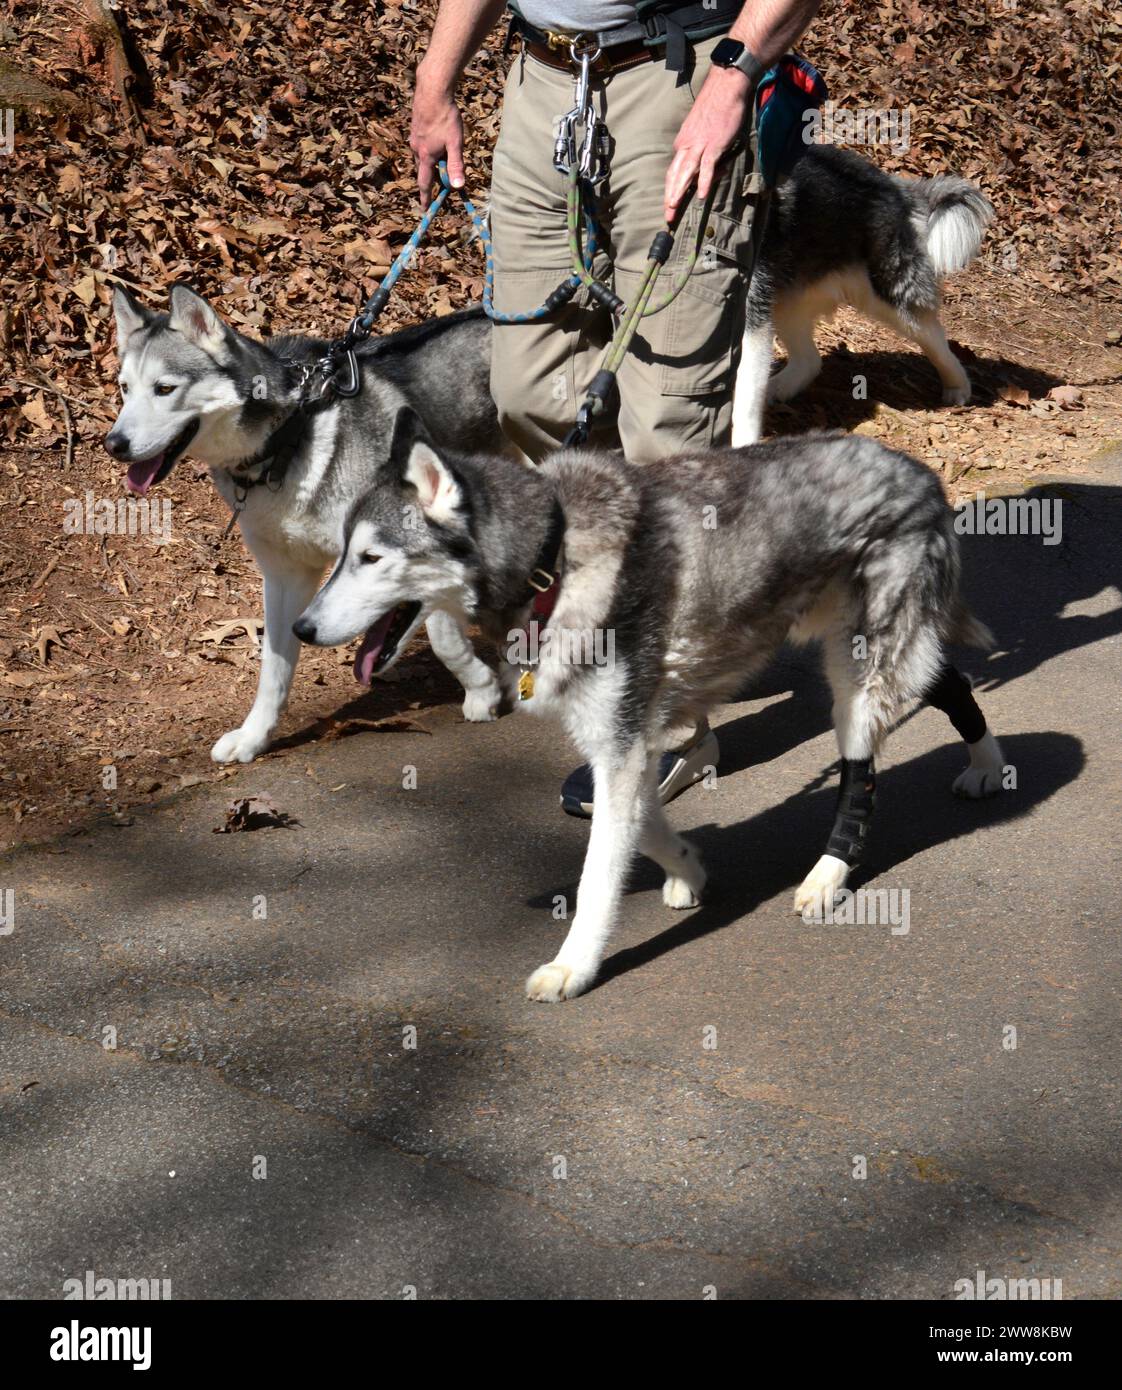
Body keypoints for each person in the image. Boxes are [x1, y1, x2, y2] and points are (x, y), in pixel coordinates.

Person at [410, 0, 821, 816]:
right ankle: (605, 625)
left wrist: (734, 77)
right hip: (544, 85)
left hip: (684, 80)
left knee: (668, 427)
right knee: (529, 395)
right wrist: (437, 77)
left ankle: (669, 726)